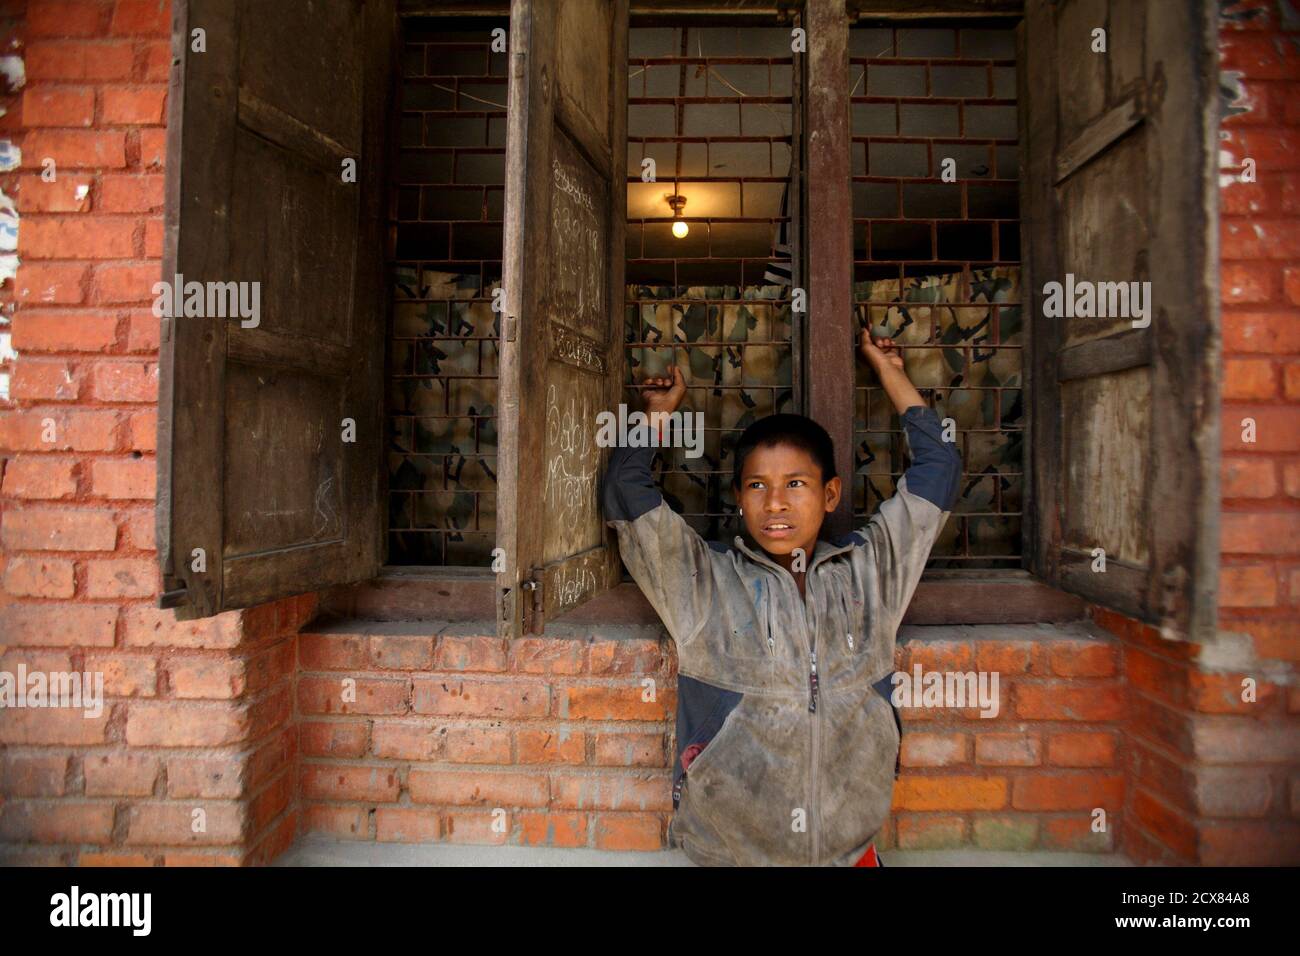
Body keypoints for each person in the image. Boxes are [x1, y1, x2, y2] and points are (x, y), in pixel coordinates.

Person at [601, 330, 962, 866]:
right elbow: (628, 496)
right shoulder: (704, 582)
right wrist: (657, 414)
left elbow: (939, 471)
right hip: (731, 855)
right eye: (756, 486)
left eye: (795, 484)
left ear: (830, 494)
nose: (775, 503)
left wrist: (891, 373)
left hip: (851, 852)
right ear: (739, 498)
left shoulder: (873, 572)